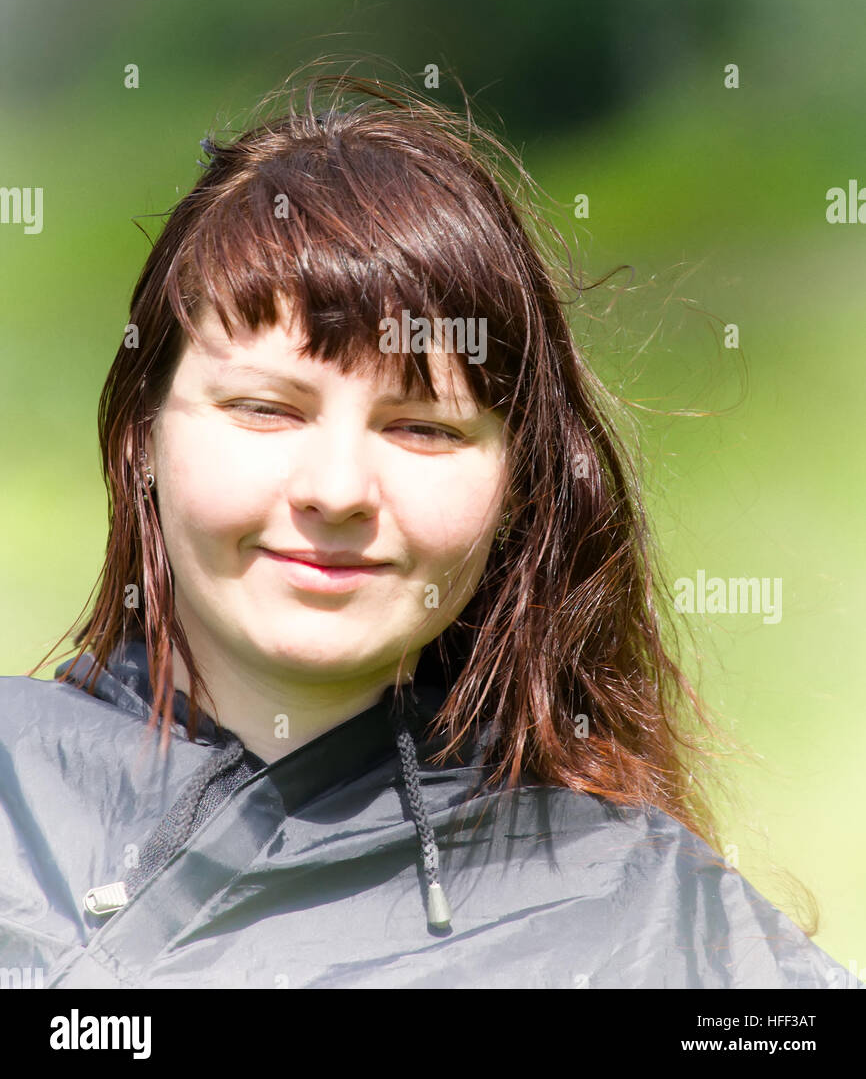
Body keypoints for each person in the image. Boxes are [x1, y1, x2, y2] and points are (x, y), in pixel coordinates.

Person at [0, 65, 856, 990]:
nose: (337, 491)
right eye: (266, 410)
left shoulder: (652, 923)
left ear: (520, 487)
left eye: (422, 428)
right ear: (142, 440)